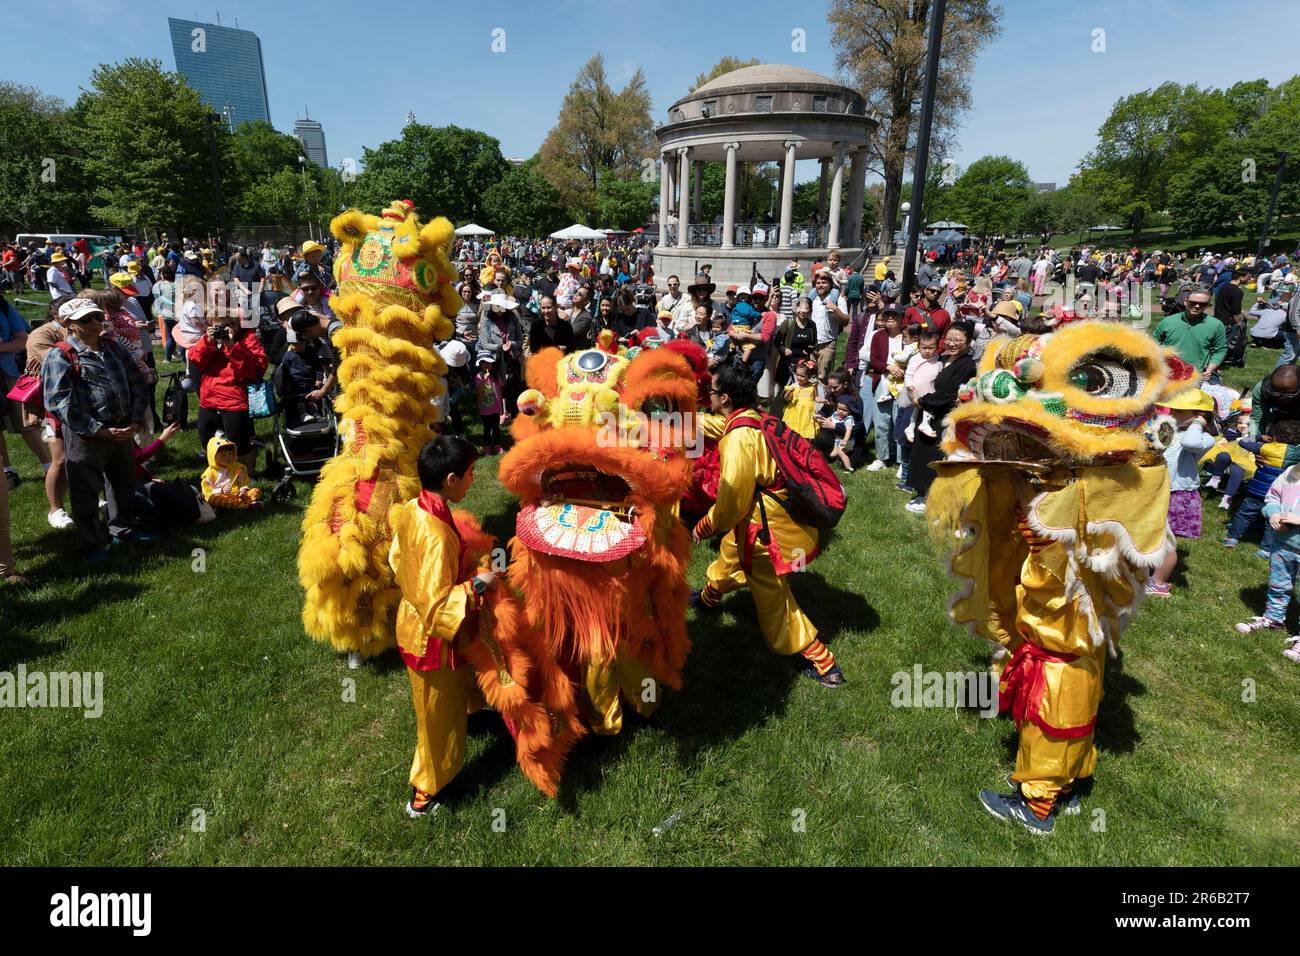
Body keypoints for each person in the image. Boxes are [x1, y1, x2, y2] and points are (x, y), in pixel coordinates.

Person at [690, 365, 845, 688]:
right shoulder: (756, 419)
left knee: (771, 593)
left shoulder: (738, 441)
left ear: (726, 398)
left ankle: (819, 659)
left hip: (764, 529)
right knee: (730, 555)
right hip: (768, 517)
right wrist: (664, 421)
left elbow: (732, 500)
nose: (709, 397)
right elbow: (718, 425)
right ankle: (709, 598)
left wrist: (705, 524)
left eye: (713, 392)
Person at [388, 435, 499, 816]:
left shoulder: (414, 510)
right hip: (431, 639)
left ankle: (473, 715)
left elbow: (396, 558)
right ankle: (426, 792)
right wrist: (480, 582)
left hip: (414, 621)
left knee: (450, 701)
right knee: (436, 718)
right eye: (470, 474)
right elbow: (437, 609)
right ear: (450, 479)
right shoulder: (435, 536)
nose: (473, 481)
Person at [40, 298, 153, 562]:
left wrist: (135, 420)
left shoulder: (113, 347)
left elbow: (137, 382)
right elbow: (58, 402)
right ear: (69, 325)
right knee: (85, 492)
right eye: (85, 320)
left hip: (123, 428)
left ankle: (122, 528)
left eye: (96, 317)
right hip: (86, 436)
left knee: (122, 484)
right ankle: (91, 544)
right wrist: (98, 430)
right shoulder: (60, 355)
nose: (94, 323)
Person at [1145, 389, 1218, 596]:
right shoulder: (1171, 429)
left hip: (1177, 494)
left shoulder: (1204, 438)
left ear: (1199, 415)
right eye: (1173, 409)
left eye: (1179, 411)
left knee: (1167, 542)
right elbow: (1151, 444)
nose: (1173, 413)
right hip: (1156, 490)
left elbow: (1190, 443)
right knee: (1148, 536)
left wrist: (1198, 424)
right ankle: (1140, 575)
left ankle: (1158, 583)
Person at [905, 322, 977, 513]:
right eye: (949, 339)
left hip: (943, 415)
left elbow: (949, 393)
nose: (952, 343)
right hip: (928, 412)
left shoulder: (967, 365)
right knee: (922, 453)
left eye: (958, 340)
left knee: (934, 456)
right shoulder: (942, 357)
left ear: (968, 342)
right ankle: (922, 493)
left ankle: (932, 497)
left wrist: (922, 401)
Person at [1235, 462, 1300, 662]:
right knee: (1278, 584)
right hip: (1283, 544)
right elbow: (1272, 495)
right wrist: (1272, 512)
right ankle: (1273, 618)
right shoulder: (1291, 472)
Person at [188, 308, 268, 472]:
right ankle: (219, 477)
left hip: (234, 399)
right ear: (210, 325)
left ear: (236, 324)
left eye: (228, 325)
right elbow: (195, 360)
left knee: (240, 444)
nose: (223, 330)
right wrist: (208, 341)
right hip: (209, 398)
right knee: (208, 442)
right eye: (218, 326)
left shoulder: (248, 339)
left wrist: (232, 346)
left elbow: (253, 371)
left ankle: (247, 478)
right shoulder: (208, 340)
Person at [0, 287, 53, 493]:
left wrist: (2, 347)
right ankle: (7, 471)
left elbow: (24, 340)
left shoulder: (4, 307)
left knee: (26, 422)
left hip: (8, 373)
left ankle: (50, 465)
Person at [1224, 419, 1300, 553]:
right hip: (1276, 496)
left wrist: (1259, 436)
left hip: (1256, 491)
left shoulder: (1264, 447)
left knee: (1244, 514)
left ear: (1274, 436)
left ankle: (1232, 537)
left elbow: (1242, 441)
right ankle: (1265, 550)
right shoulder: (1296, 454)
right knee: (1272, 522)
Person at [859, 305, 905, 472]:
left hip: (902, 384)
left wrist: (902, 371)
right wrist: (888, 367)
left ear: (901, 318)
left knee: (899, 421)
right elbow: (873, 359)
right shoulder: (878, 336)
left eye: (894, 315)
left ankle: (901, 460)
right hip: (882, 382)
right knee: (881, 421)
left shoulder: (906, 336)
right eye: (887, 315)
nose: (890, 318)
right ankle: (882, 457)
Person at [1153, 289, 1227, 384]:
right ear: (1185, 302)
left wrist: (1210, 368)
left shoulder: (1216, 325)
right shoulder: (1167, 321)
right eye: (1193, 303)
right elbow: (1153, 344)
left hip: (1195, 375)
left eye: (1202, 304)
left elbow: (1220, 350)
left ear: (1207, 305)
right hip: (1166, 373)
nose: (1197, 306)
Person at [200, 434, 263, 510]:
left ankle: (250, 502)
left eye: (230, 453)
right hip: (221, 495)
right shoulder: (210, 472)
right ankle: (244, 505)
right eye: (223, 455)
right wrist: (221, 490)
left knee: (256, 491)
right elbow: (207, 490)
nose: (228, 457)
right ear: (213, 457)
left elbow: (243, 482)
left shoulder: (237, 466)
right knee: (214, 499)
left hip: (237, 494)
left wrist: (243, 490)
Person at [809, 269, 848, 383]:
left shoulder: (838, 300)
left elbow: (845, 321)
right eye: (818, 283)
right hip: (810, 345)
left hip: (827, 344)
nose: (820, 285)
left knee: (822, 378)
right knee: (809, 377)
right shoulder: (812, 299)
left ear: (830, 284)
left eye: (824, 283)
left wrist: (835, 309)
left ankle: (824, 399)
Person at [474, 351, 504, 454]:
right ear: (480, 364)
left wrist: (502, 406)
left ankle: (497, 445)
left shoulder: (495, 376)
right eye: (485, 363)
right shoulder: (478, 377)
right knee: (487, 429)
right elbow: (478, 392)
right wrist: (484, 380)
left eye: (490, 363)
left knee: (496, 428)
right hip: (485, 409)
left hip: (495, 407)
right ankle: (487, 446)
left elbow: (500, 389)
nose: (488, 365)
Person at [780, 360, 818, 439]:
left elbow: (816, 397)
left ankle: (804, 442)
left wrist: (822, 400)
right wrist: (789, 392)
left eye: (802, 376)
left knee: (804, 430)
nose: (799, 378)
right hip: (794, 412)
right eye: (797, 375)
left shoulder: (812, 386)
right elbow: (787, 398)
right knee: (792, 431)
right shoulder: (794, 386)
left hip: (806, 413)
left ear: (809, 376)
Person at [826, 399, 855, 474]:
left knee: (840, 452)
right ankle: (835, 463)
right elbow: (830, 418)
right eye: (839, 409)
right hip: (838, 440)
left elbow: (849, 430)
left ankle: (848, 468)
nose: (841, 411)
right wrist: (827, 419)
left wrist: (845, 440)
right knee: (832, 455)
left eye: (844, 410)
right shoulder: (835, 414)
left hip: (847, 440)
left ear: (849, 411)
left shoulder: (849, 418)